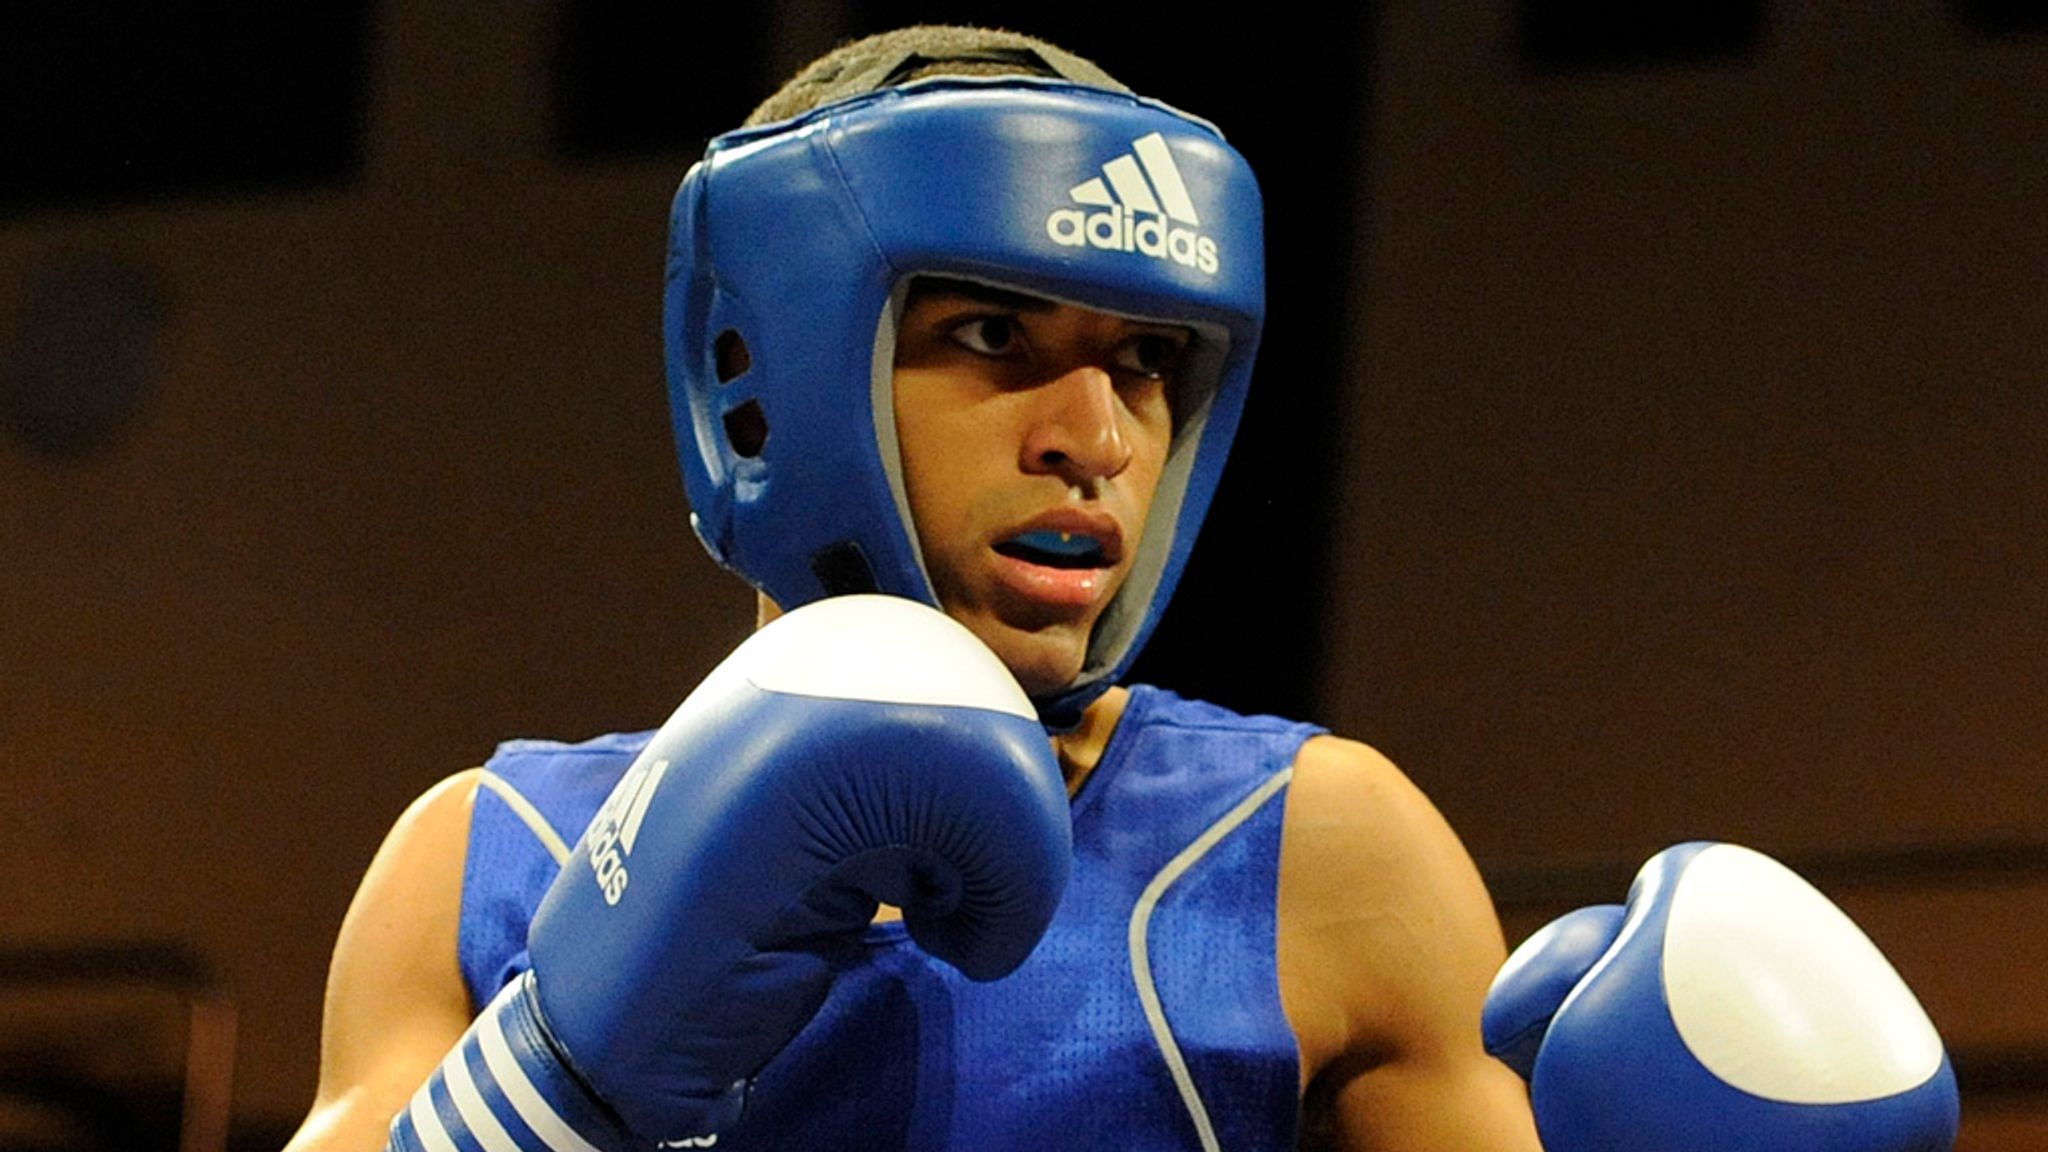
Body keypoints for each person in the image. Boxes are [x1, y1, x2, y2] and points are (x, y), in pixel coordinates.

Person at [284, 25, 1956, 1152]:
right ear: (771, 376)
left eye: (1148, 362)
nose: (1097, 436)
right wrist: (558, 1083)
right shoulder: (489, 862)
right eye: (996, 341)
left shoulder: (1313, 853)